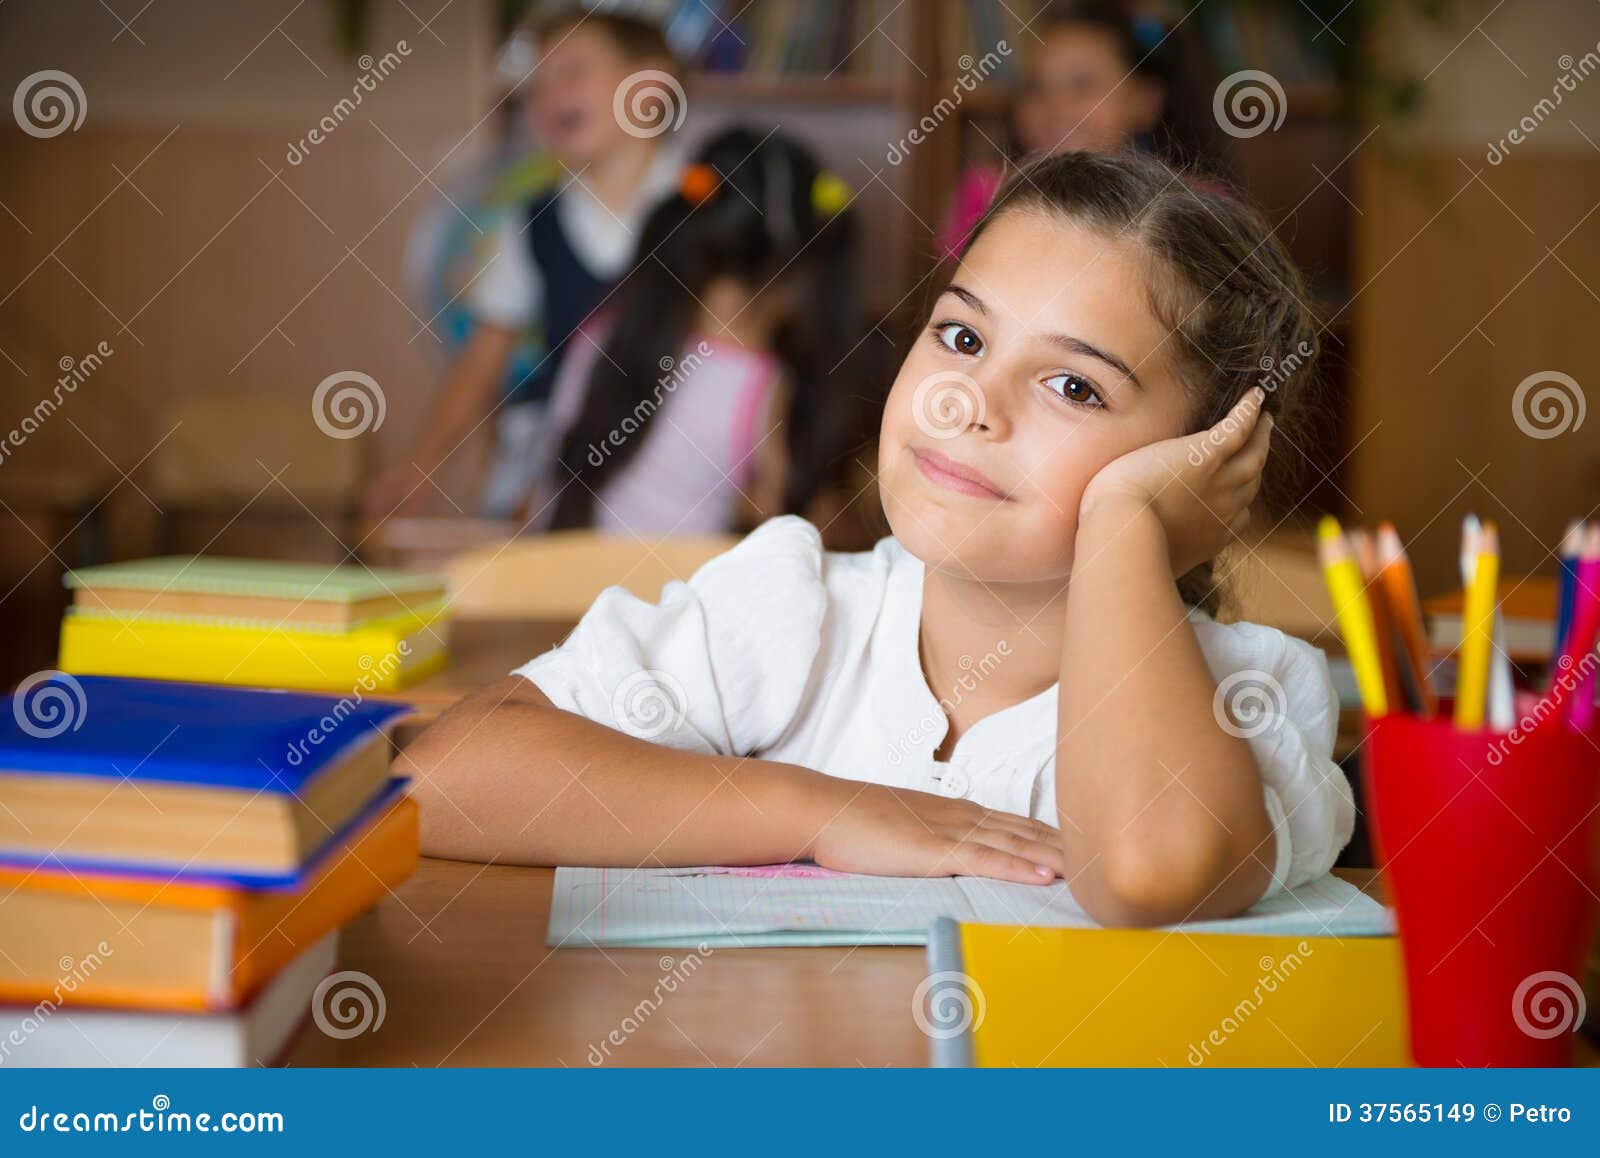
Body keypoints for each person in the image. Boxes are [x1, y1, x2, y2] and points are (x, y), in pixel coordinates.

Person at [402, 149, 1352, 928]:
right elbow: (440, 776)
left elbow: (1145, 874)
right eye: (964, 338)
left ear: (1206, 466)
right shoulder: (796, 611)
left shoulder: (1246, 701)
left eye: (1074, 386)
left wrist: (1125, 525)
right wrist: (821, 810)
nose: (968, 401)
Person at [363, 11, 685, 520]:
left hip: (674, 466)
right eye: (537, 86)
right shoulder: (532, 221)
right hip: (559, 473)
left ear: (650, 86)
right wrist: (419, 468)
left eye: (572, 73)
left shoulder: (706, 210)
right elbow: (484, 356)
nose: (549, 97)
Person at [527, 127, 859, 535]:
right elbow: (788, 533)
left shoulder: (600, 338)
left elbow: (546, 488)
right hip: (676, 594)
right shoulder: (762, 383)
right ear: (794, 268)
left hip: (554, 584)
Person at [937, 2, 1224, 259]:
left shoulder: (1195, 205)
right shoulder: (987, 193)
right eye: (1036, 86)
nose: (1057, 105)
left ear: (1143, 101)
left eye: (1082, 84)